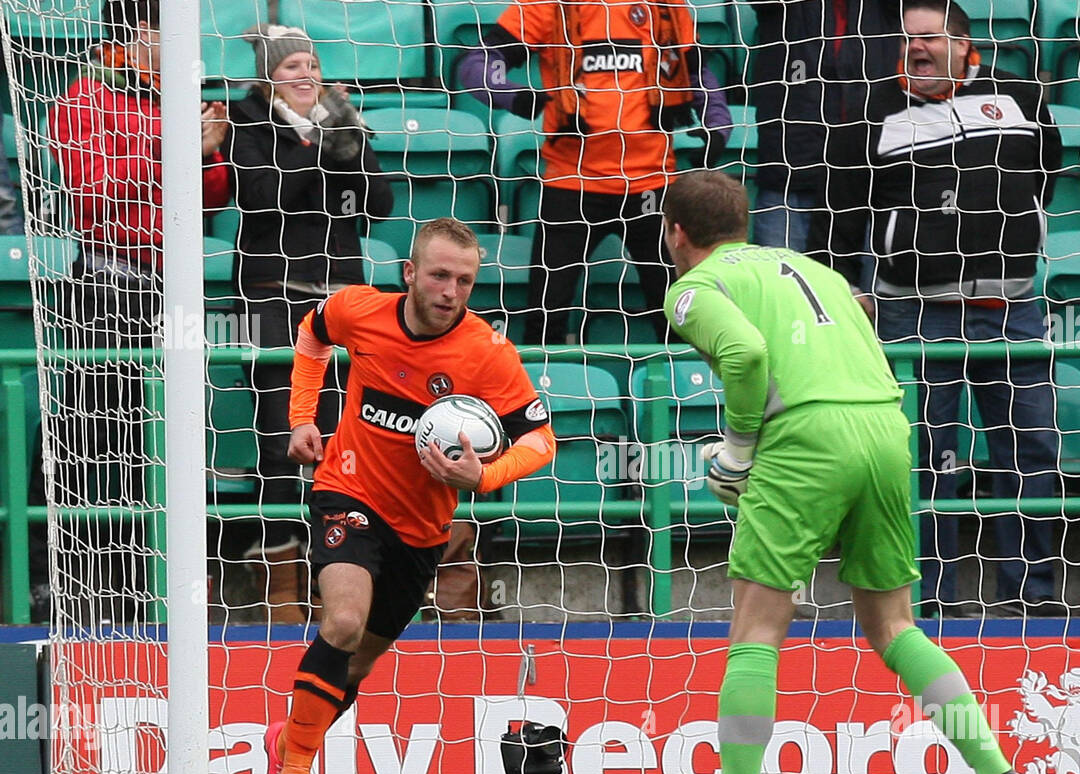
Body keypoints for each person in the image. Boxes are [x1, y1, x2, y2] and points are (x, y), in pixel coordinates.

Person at [662, 171, 1032, 774]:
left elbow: (745, 354)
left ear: (675, 232)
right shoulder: (815, 269)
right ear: (744, 222)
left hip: (806, 436)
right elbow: (863, 319)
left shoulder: (693, 287)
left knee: (757, 626)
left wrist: (739, 453)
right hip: (887, 429)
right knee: (893, 624)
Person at [259, 218, 557, 774]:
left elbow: (541, 439)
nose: (451, 290)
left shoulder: (487, 354)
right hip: (347, 489)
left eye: (466, 280)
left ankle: (287, 741)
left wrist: (485, 477)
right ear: (410, 274)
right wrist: (302, 418)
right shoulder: (359, 310)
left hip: (422, 529)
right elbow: (313, 336)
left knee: (357, 666)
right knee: (341, 622)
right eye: (441, 275)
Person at [866, 0, 1062, 618]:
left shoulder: (1021, 96)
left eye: (926, 38)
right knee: (925, 459)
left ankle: (1034, 598)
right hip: (918, 313)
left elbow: (1046, 172)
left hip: (1011, 307)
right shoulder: (878, 109)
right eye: (905, 41)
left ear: (962, 43)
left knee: (1029, 448)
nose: (914, 49)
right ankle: (930, 601)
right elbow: (852, 200)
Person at [49, 0, 230, 626]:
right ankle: (91, 589)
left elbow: (211, 198)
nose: (181, 41)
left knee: (173, 429)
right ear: (134, 33)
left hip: (172, 289)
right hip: (106, 285)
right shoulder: (84, 93)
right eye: (164, 27)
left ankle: (161, 584)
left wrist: (208, 153)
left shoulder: (171, 98)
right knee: (101, 436)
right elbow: (93, 188)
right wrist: (174, 142)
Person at [225, 24, 394, 624]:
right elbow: (265, 194)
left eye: (312, 63)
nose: (305, 75)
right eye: (292, 64)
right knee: (283, 434)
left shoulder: (337, 119)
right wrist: (323, 142)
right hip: (273, 293)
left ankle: (337, 583)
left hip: (342, 296)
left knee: (346, 439)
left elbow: (379, 205)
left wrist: (349, 143)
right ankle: (280, 586)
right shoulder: (247, 119)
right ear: (270, 75)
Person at [458, 0, 732, 346]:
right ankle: (546, 393)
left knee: (676, 318)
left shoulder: (666, 5)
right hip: (572, 185)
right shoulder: (548, 5)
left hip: (651, 185)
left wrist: (718, 121)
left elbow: (694, 71)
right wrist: (511, 95)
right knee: (545, 319)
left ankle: (678, 397)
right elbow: (476, 63)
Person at [749, 0, 898, 284]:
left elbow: (937, 14)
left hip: (874, 182)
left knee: (873, 310)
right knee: (783, 301)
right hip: (792, 178)